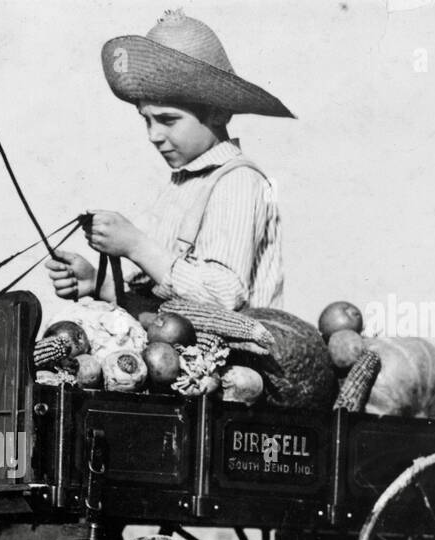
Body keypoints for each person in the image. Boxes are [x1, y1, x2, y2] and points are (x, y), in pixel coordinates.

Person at [48, 10, 294, 313]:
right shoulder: (184, 183)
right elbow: (165, 300)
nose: (154, 135)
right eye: (147, 120)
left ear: (218, 112)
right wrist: (98, 283)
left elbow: (223, 298)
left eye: (168, 120)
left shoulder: (239, 181)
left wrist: (136, 245)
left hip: (242, 358)